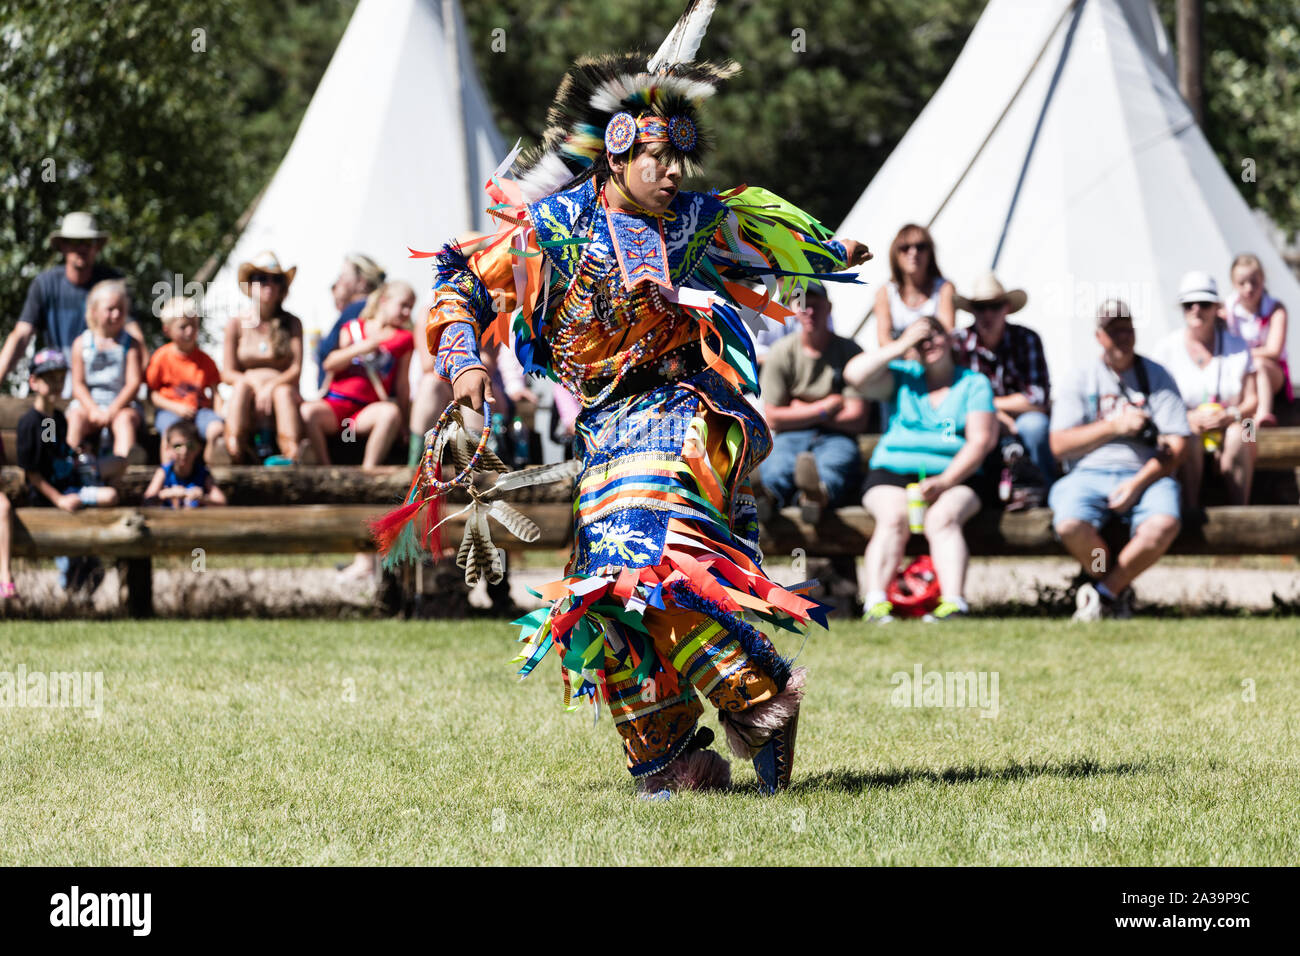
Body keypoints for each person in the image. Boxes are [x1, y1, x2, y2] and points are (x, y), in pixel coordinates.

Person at [385, 21, 871, 796]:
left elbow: (764, 227)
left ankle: (761, 695)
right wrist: (463, 359)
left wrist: (826, 249)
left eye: (678, 157)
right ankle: (674, 761)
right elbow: (458, 280)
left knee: (641, 565)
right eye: (655, 158)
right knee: (604, 606)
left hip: (689, 411)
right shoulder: (552, 229)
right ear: (615, 153)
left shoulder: (693, 220)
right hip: (608, 428)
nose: (672, 172)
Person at [843, 317, 998, 623]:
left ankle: (954, 605)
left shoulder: (973, 383)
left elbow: (981, 441)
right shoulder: (902, 377)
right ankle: (875, 604)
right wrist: (901, 345)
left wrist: (945, 480)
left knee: (943, 518)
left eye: (935, 335)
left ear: (951, 339)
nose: (929, 344)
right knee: (893, 517)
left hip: (956, 475)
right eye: (921, 340)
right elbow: (853, 375)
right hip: (892, 472)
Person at [1048, 300, 1189, 621]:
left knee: (1164, 523)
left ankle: (1103, 593)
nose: (1122, 337)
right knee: (1071, 524)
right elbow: (1059, 445)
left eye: (1128, 329)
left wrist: (1138, 483)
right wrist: (1115, 426)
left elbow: (1178, 445)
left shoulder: (1156, 376)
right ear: (1099, 336)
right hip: (1088, 474)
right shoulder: (1080, 378)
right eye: (1114, 331)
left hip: (1146, 474)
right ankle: (1111, 584)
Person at [757, 283, 869, 521]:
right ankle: (765, 498)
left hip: (836, 438)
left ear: (829, 308)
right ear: (793, 310)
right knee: (778, 465)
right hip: (792, 437)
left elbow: (857, 419)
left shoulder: (851, 352)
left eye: (815, 305)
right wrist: (826, 407)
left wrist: (798, 408)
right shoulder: (781, 352)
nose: (809, 311)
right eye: (802, 305)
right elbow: (774, 417)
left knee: (834, 465)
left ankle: (815, 498)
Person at [0, 211, 143, 389]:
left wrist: (145, 379)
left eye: (88, 242)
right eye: (75, 242)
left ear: (97, 247)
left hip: (105, 381)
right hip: (59, 379)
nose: (81, 248)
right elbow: (21, 335)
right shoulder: (45, 284)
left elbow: (134, 334)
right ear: (63, 246)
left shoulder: (113, 285)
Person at [16, 350, 119, 594]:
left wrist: (76, 455)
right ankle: (71, 582)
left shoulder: (55, 420)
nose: (56, 384)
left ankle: (81, 567)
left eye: (61, 378)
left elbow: (53, 452)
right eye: (49, 378)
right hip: (49, 499)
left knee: (113, 479)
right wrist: (59, 499)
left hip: (70, 489)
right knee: (106, 499)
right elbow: (32, 472)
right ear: (34, 382)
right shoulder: (30, 423)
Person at [1155, 272, 1257, 508]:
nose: (1196, 310)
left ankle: (1243, 514)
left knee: (1243, 433)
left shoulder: (1239, 346)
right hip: (1187, 426)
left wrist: (1230, 416)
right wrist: (1187, 417)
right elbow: (1157, 403)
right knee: (1185, 435)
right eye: (1189, 305)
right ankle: (1191, 514)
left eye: (1204, 304)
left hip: (1242, 421)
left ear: (1216, 307)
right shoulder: (1165, 349)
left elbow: (1253, 402)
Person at [952, 271, 1055, 490]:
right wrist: (993, 415)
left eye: (995, 306)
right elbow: (952, 395)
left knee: (1035, 427)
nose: (987, 314)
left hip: (1016, 419)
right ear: (972, 311)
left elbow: (1038, 399)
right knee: (958, 430)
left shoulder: (1027, 339)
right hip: (976, 419)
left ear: (1006, 307)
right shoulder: (958, 341)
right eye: (981, 307)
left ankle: (1044, 490)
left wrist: (989, 407)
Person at [302, 279, 415, 468]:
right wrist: (361, 348)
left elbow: (403, 384)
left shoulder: (404, 338)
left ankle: (368, 471)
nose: (407, 313)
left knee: (390, 413)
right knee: (307, 412)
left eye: (410, 308)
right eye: (403, 305)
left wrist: (404, 423)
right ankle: (325, 468)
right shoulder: (354, 327)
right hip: (335, 406)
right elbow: (330, 364)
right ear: (384, 301)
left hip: (364, 412)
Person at [222, 252, 307, 463]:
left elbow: (295, 370)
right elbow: (227, 372)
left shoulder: (292, 323)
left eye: (276, 279)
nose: (269, 284)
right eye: (261, 278)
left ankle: (292, 453)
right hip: (248, 396)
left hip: (282, 393)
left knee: (283, 393)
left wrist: (270, 387)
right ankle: (232, 451)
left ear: (282, 288)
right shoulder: (235, 323)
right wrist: (251, 384)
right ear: (250, 285)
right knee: (241, 389)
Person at [66, 279, 145, 463]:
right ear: (94, 311)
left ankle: (122, 467)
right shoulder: (81, 343)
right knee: (76, 417)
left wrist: (112, 411)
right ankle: (69, 465)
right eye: (110, 309)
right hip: (89, 404)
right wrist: (93, 410)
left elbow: (133, 383)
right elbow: (78, 384)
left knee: (124, 421)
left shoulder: (130, 343)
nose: (116, 314)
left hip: (122, 404)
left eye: (120, 309)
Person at [146, 296, 227, 465]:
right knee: (171, 433)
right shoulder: (161, 357)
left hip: (200, 412)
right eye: (183, 327)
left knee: (216, 429)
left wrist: (219, 416)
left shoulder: (206, 360)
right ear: (167, 330)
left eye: (194, 325)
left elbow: (216, 393)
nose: (190, 331)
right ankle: (169, 474)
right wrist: (176, 407)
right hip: (170, 411)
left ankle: (213, 472)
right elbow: (153, 395)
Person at [1225, 253, 1290, 426]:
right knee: (1247, 385)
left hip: (1268, 373)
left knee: (1257, 366)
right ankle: (1248, 441)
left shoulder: (1275, 309)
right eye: (1242, 283)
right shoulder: (1227, 310)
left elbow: (1273, 351)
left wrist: (1244, 355)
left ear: (1263, 280)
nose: (1249, 288)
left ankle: (1262, 417)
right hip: (1244, 380)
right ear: (1233, 284)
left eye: (1254, 282)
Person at [874, 223, 955, 348]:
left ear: (930, 253)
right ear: (895, 254)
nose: (913, 252)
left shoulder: (944, 288)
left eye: (920, 247)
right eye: (905, 248)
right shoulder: (885, 292)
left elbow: (947, 333)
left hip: (934, 359)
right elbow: (883, 341)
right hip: (899, 362)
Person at [317, 254, 387, 390]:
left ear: (361, 282)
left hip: (343, 394)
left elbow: (329, 352)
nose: (338, 282)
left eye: (342, 277)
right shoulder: (368, 307)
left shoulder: (357, 308)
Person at [142, 420, 227, 508]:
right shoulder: (164, 472)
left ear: (198, 448)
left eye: (190, 446)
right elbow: (147, 501)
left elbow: (222, 502)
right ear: (168, 449)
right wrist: (165, 494)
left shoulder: (203, 473)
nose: (184, 451)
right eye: (177, 446)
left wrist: (203, 498)